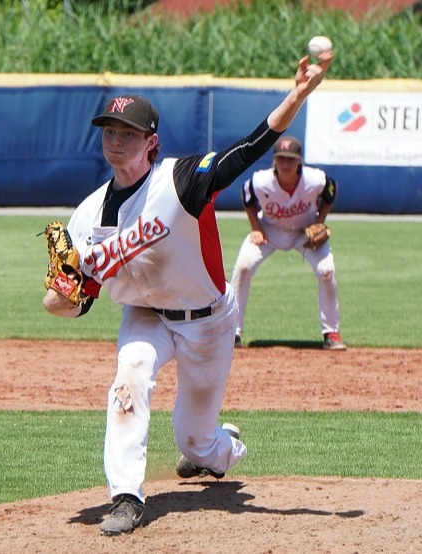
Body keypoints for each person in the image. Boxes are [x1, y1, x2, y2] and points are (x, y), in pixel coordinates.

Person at [42, 50, 333, 536]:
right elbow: (70, 304)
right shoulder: (86, 217)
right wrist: (61, 295)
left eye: (128, 134)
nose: (115, 141)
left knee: (195, 439)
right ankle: (127, 496)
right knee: (129, 373)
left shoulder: (180, 180)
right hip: (145, 315)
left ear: (150, 143)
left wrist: (297, 95)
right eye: (110, 131)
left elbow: (248, 148)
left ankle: (221, 450)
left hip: (208, 320)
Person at [230, 136, 346, 350]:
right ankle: (232, 332)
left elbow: (331, 191)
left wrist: (319, 222)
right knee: (243, 266)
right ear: (274, 160)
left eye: (290, 159)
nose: (285, 164)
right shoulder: (261, 181)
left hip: (305, 231)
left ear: (299, 161)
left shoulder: (315, 179)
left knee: (326, 270)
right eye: (281, 158)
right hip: (270, 230)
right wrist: (256, 227)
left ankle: (332, 332)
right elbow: (247, 196)